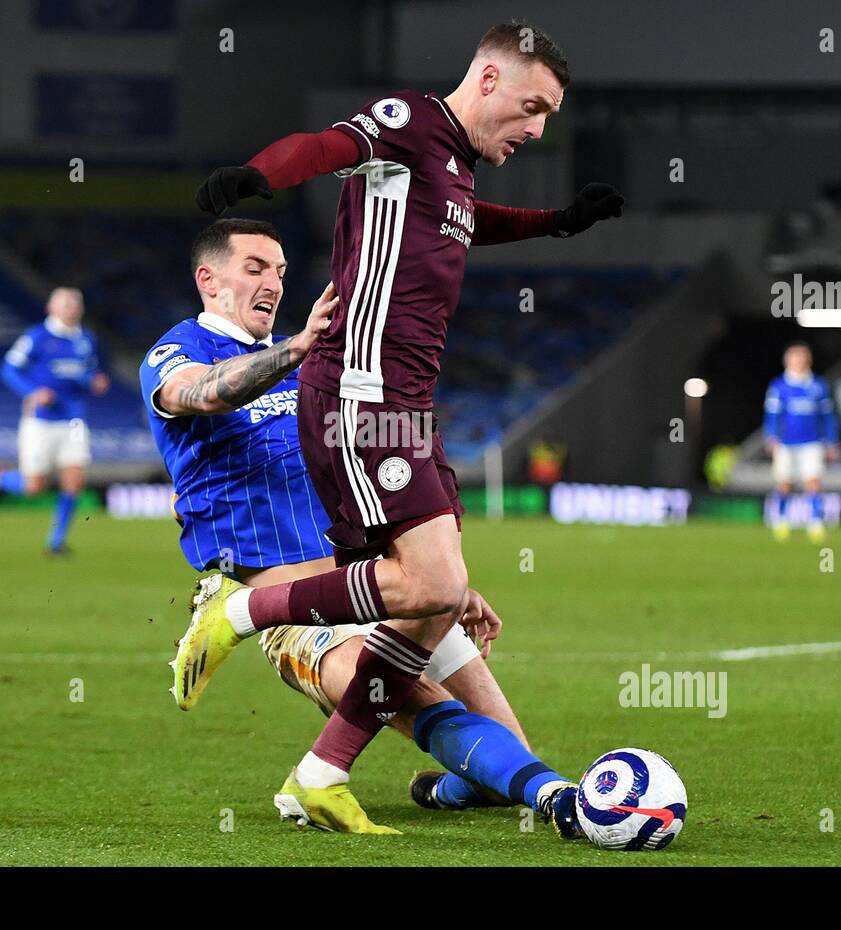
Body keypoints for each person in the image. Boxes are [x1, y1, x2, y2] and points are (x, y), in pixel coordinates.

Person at [179, 20, 621, 822]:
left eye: (548, 115)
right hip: (357, 391)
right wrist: (257, 175)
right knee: (435, 584)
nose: (538, 129)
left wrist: (557, 221)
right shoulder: (410, 124)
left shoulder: (448, 170)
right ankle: (238, 611)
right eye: (531, 108)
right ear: (488, 81)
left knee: (437, 604)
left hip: (409, 405)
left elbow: (470, 220)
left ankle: (320, 775)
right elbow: (324, 146)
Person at [143, 218, 581, 836]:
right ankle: (561, 798)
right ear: (208, 279)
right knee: (402, 696)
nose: (273, 281)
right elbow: (202, 397)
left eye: (281, 271)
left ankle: (453, 787)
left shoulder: (315, 373)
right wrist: (297, 347)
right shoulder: (179, 351)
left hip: (371, 579)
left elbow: (362, 476)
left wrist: (439, 582)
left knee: (502, 754)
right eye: (256, 267)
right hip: (294, 609)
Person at [0, 288, 110, 555]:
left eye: (76, 303)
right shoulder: (36, 337)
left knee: (74, 480)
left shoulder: (86, 339)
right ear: (51, 308)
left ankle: (56, 541)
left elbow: (84, 372)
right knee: (34, 487)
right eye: (65, 303)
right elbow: (8, 369)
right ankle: (3, 479)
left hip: (74, 420)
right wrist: (32, 392)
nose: (71, 308)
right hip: (41, 421)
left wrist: (93, 381)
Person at [764, 342, 839, 541]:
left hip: (812, 441)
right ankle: (781, 521)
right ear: (787, 360)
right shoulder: (779, 386)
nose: (799, 361)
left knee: (813, 481)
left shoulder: (818, 385)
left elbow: (828, 416)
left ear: (808, 360)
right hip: (785, 442)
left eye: (802, 357)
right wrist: (771, 437)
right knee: (784, 483)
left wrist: (831, 441)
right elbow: (772, 415)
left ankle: (815, 523)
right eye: (795, 357)